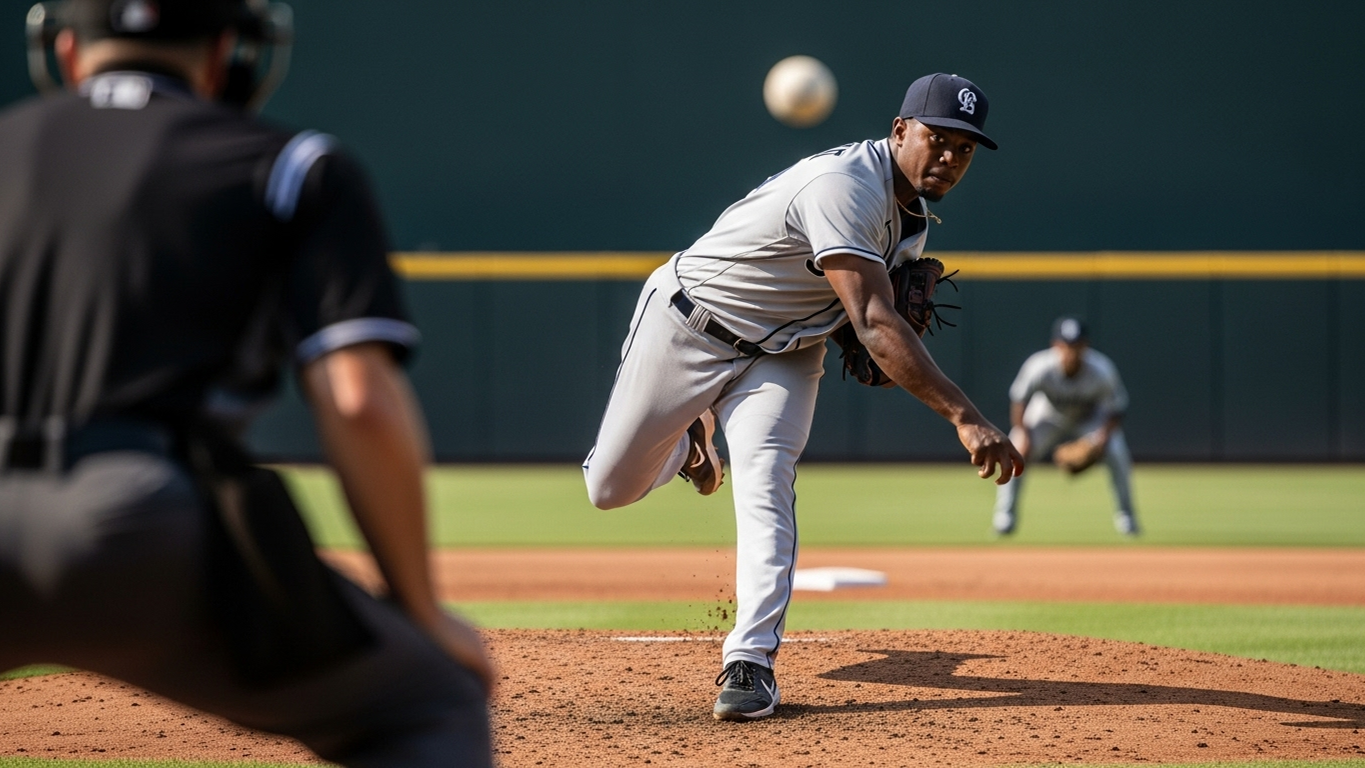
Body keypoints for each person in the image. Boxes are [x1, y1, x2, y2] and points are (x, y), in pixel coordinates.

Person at [0, 1, 493, 765]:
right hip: (133, 520)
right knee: (425, 704)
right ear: (227, 51)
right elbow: (358, 400)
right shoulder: (290, 163)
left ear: (64, 50)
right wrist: (422, 611)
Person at [583, 73, 1023, 721]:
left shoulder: (910, 223)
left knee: (765, 483)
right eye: (938, 138)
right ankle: (689, 439)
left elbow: (859, 313)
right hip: (688, 325)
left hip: (783, 354)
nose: (950, 158)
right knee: (609, 490)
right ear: (899, 130)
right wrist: (964, 415)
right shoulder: (843, 186)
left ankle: (750, 662)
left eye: (964, 148)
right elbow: (874, 321)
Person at [992, 317, 1138, 537]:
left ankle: (1126, 518)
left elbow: (1116, 409)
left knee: (1117, 453)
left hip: (1090, 419)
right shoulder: (1039, 366)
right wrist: (1023, 434)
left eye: (1077, 345)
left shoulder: (1102, 369)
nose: (1071, 351)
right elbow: (1019, 401)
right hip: (1048, 414)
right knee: (1016, 451)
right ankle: (1005, 517)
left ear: (1085, 346)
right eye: (1066, 345)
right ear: (1055, 346)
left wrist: (1101, 438)